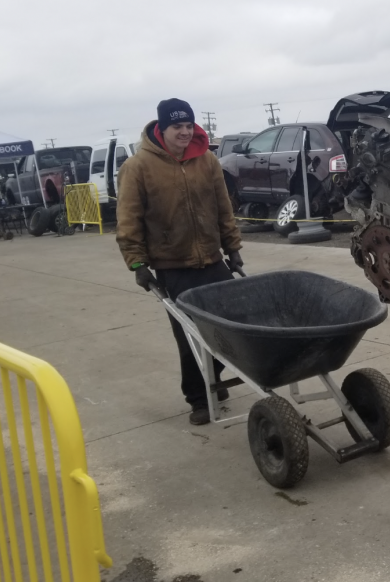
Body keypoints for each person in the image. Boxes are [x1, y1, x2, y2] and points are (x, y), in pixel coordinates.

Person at [116, 98, 244, 425]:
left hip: (212, 259)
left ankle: (213, 378)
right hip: (172, 265)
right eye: (178, 127)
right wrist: (137, 264)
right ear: (162, 128)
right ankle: (199, 398)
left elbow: (222, 207)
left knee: (235, 323)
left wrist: (232, 247)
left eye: (189, 125)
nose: (185, 132)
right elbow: (128, 220)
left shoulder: (207, 160)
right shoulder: (138, 167)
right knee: (189, 336)